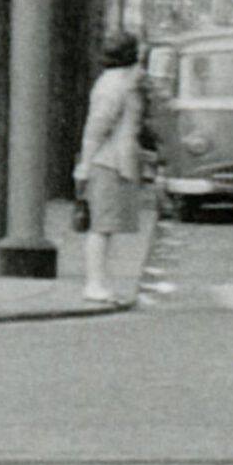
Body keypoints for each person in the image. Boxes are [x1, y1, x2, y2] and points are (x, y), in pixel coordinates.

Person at [70, 31, 148, 305]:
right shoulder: (115, 86)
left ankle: (100, 282)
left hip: (112, 161)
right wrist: (85, 165)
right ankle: (94, 283)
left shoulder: (119, 82)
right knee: (101, 227)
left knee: (105, 226)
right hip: (108, 162)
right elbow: (96, 129)